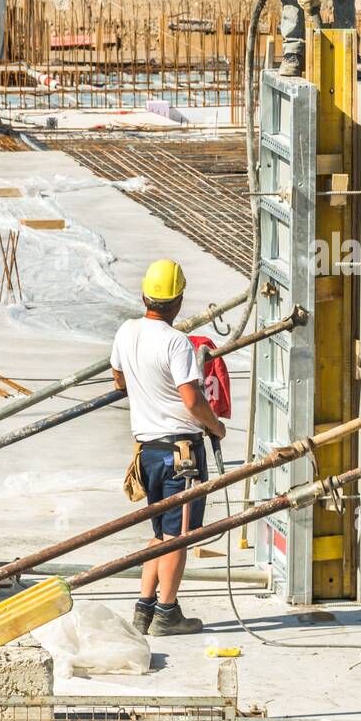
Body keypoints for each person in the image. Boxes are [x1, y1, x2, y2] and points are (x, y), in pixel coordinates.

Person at [111, 259, 225, 636]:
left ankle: (144, 607)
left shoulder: (126, 332)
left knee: (161, 532)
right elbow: (192, 399)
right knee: (180, 536)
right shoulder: (176, 342)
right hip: (181, 454)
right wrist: (216, 426)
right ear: (177, 302)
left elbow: (118, 380)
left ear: (144, 295)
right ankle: (167, 612)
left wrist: (146, 391)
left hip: (147, 453)